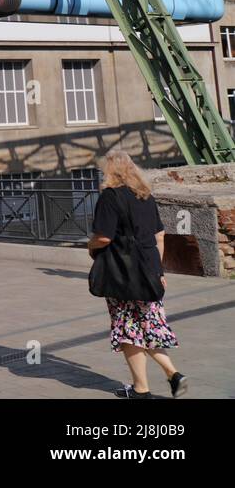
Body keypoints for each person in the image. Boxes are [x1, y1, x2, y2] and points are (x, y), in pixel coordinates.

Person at [88, 150, 186, 399]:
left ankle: (148, 386)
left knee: (127, 328)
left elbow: (104, 237)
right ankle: (166, 378)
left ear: (109, 170)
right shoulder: (145, 195)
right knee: (148, 325)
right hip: (149, 270)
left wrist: (90, 246)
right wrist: (158, 269)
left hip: (122, 273)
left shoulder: (110, 197)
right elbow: (160, 235)